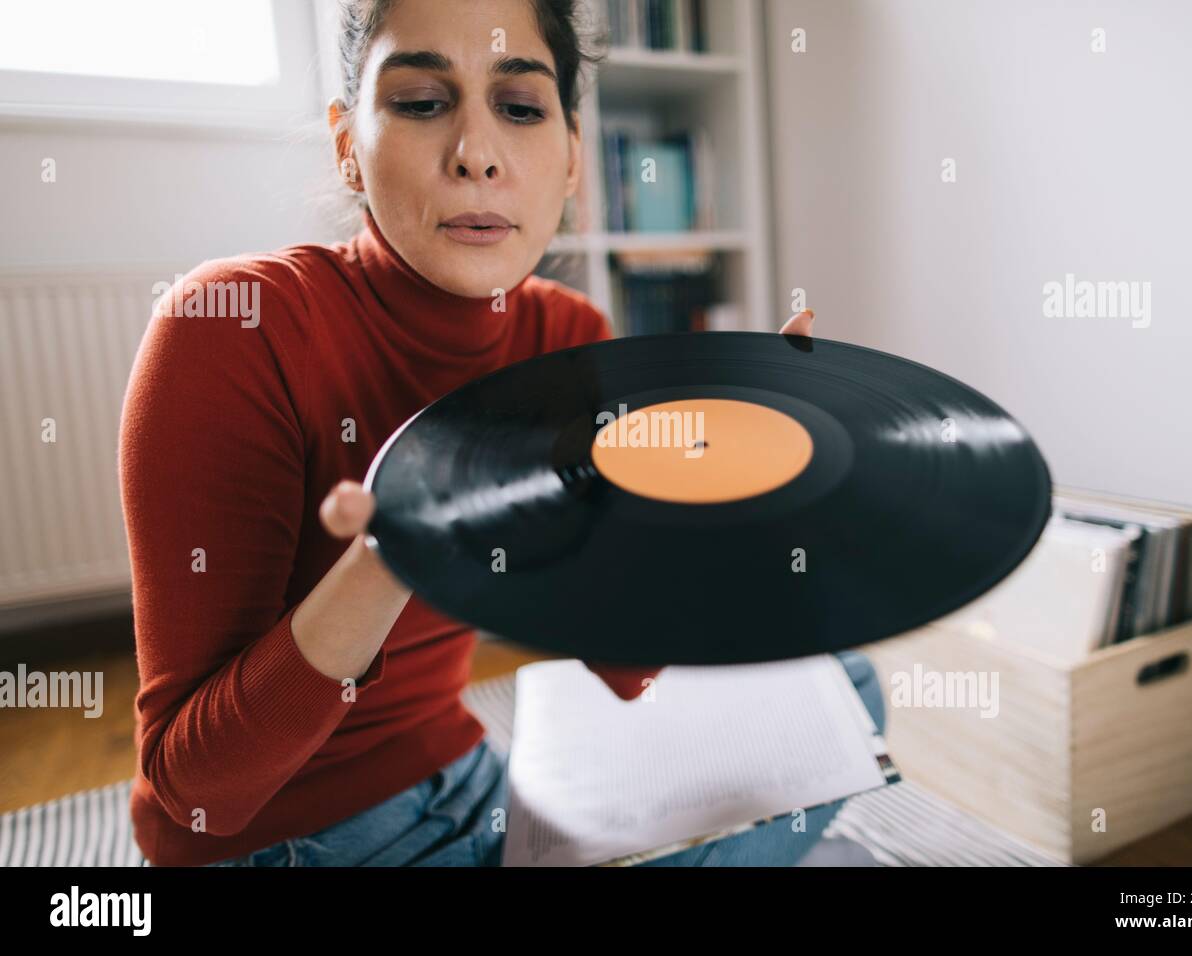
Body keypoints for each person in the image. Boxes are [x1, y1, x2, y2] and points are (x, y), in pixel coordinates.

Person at [120, 0, 883, 868]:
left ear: (569, 158)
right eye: (419, 102)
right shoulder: (233, 323)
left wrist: (698, 512)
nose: (476, 154)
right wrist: (393, 546)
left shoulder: (568, 336)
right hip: (284, 844)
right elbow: (197, 794)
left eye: (520, 109)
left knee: (845, 686)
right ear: (347, 147)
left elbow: (624, 665)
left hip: (474, 785)